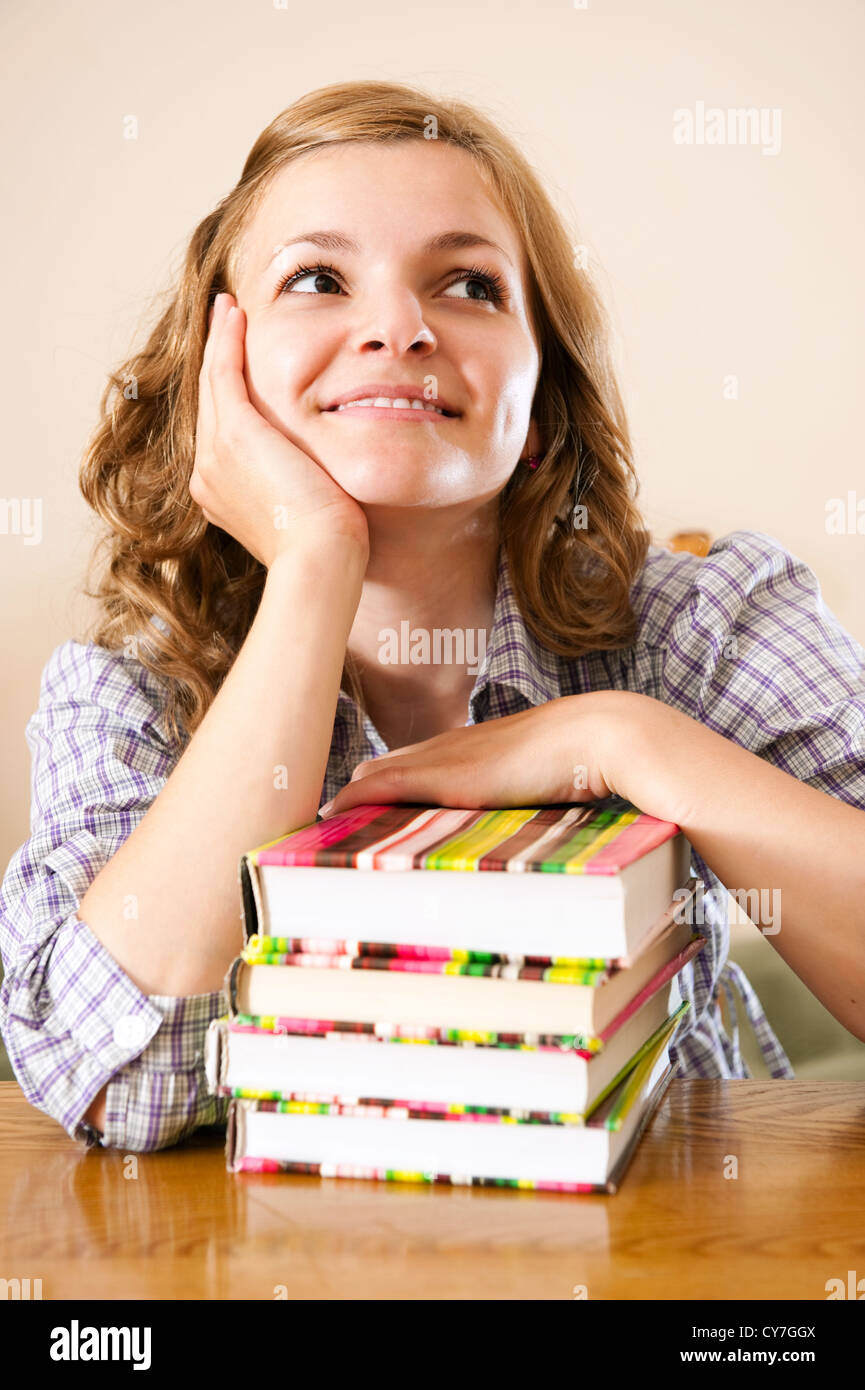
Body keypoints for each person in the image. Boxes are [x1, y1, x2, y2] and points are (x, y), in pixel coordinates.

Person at [2, 80, 864, 1154]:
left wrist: (621, 739)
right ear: (218, 379)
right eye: (318, 278)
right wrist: (318, 557)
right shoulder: (128, 692)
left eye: (466, 284)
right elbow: (118, 1087)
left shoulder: (708, 616)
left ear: (541, 395)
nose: (399, 328)